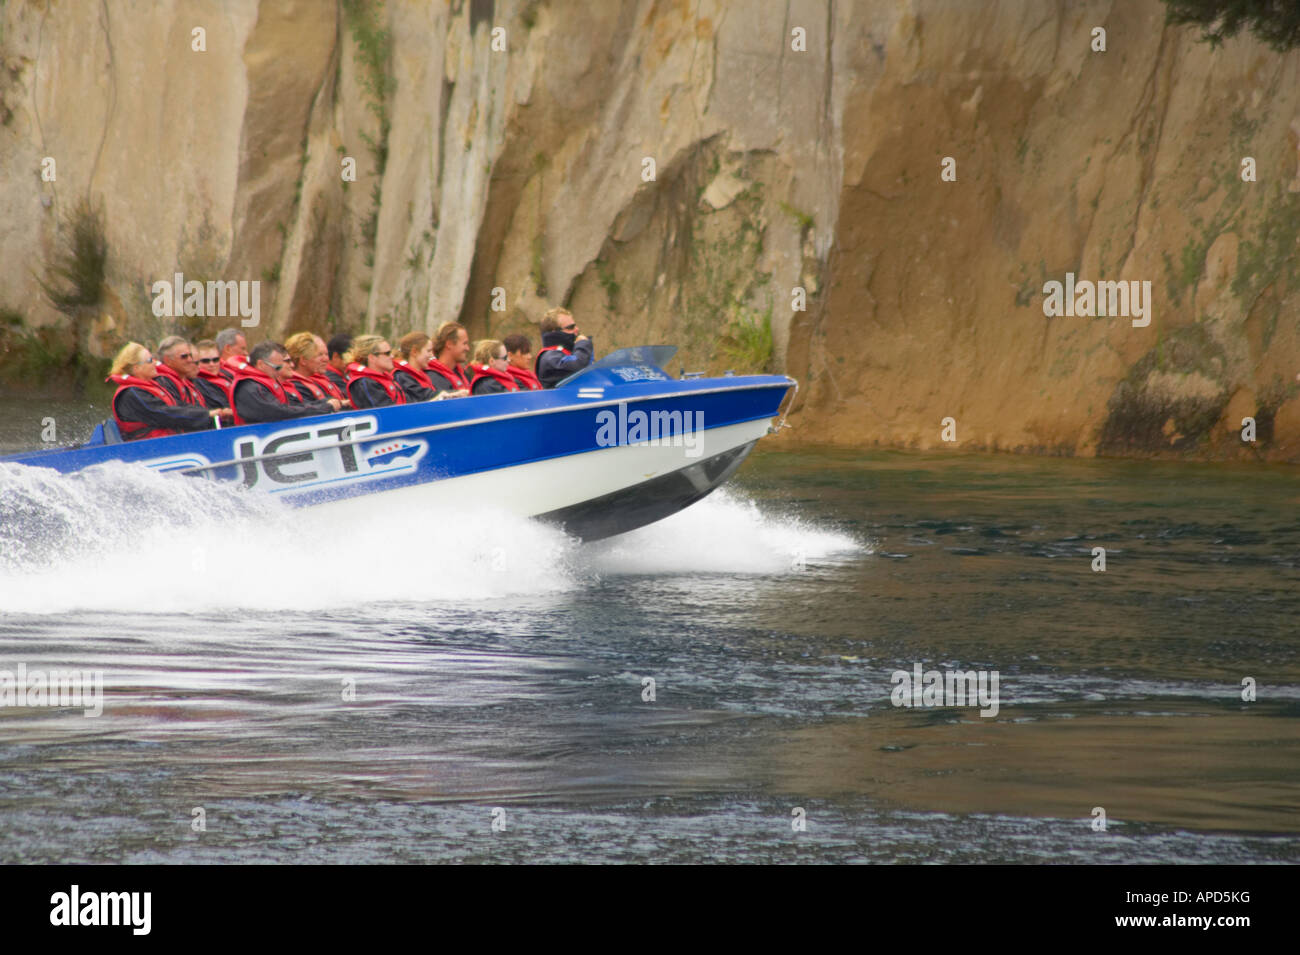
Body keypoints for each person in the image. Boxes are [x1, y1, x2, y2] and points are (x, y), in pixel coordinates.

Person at [105, 342, 227, 440]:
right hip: (153, 448)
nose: (155, 363)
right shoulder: (131, 394)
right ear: (136, 368)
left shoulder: (152, 386)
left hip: (171, 441)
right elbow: (164, 414)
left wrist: (211, 413)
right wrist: (205, 415)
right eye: (149, 360)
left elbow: (178, 405)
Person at [231, 341, 342, 425]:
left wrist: (323, 404)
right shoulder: (249, 388)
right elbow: (279, 412)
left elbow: (292, 406)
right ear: (260, 364)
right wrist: (323, 408)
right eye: (277, 367)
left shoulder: (264, 383)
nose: (279, 371)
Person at [284, 332, 350, 405]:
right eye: (319, 355)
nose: (326, 359)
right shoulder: (296, 386)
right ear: (303, 360)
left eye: (326, 354)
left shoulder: (312, 382)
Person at [535, 307, 593, 388]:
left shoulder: (570, 352)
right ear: (554, 332)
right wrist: (582, 344)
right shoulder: (549, 357)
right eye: (571, 327)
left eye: (575, 326)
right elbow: (577, 365)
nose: (577, 329)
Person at [346, 335, 407, 408]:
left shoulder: (386, 377)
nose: (392, 356)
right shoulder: (364, 382)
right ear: (372, 358)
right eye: (387, 353)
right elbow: (385, 412)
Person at [426, 322, 472, 395]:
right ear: (449, 344)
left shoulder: (463, 374)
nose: (468, 348)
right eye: (464, 343)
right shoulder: (433, 378)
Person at [392, 332, 438, 402]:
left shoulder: (423, 373)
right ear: (414, 352)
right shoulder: (401, 376)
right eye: (428, 351)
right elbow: (423, 396)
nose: (432, 355)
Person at [193, 339, 233, 408]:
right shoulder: (197, 383)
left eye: (215, 360)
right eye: (205, 361)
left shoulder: (227, 374)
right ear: (196, 362)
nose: (211, 364)